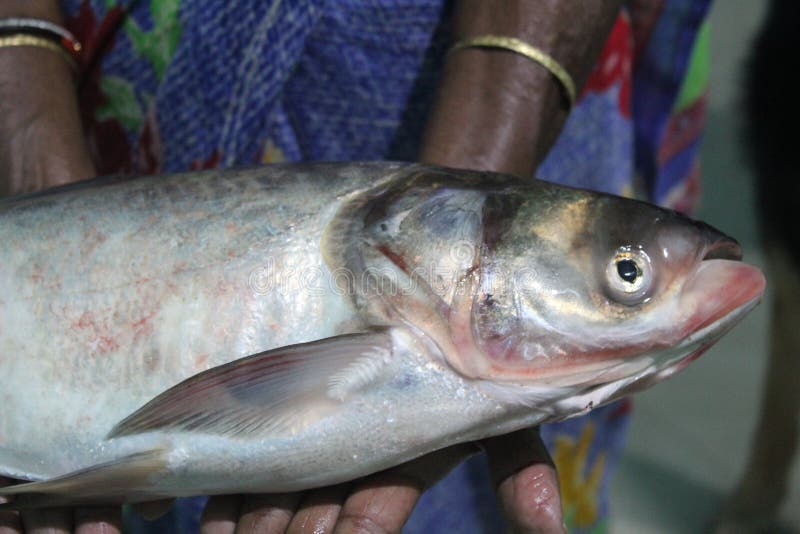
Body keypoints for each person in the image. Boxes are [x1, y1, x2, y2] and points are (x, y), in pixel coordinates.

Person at [0, 0, 712, 532]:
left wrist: (493, 135)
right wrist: (20, 84)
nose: (632, 279)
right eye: (625, 274)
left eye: (626, 274)